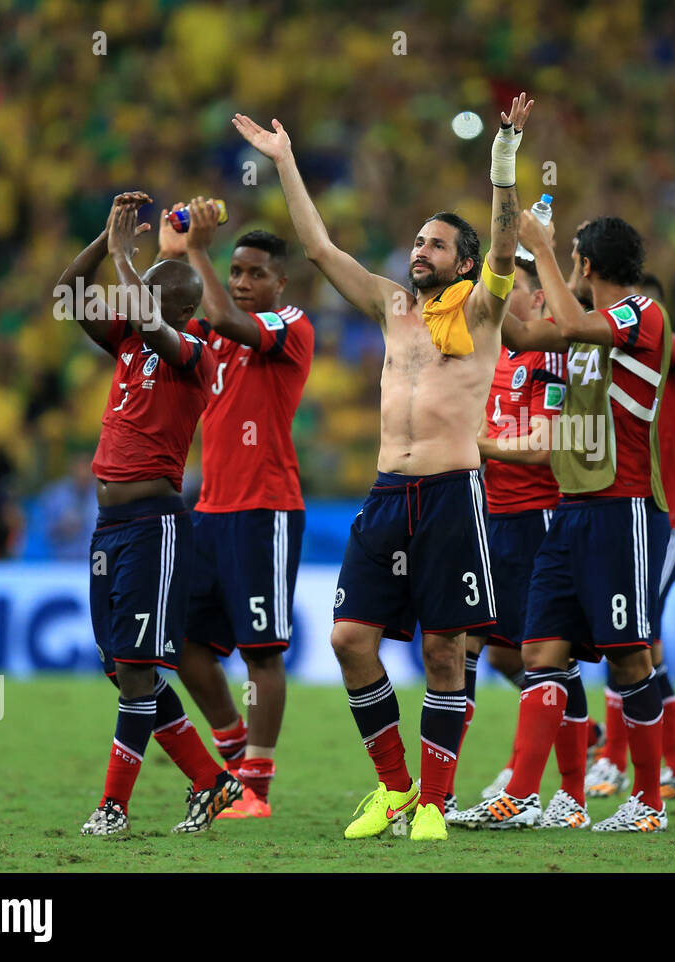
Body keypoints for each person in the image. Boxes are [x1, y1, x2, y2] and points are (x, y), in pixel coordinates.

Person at [232, 93, 533, 842]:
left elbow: (503, 246)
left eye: (434, 245)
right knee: (347, 639)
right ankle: (397, 789)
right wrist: (285, 163)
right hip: (388, 492)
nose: (419, 251)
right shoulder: (393, 306)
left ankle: (434, 800)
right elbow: (321, 251)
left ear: (460, 263)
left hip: (454, 492)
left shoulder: (481, 312)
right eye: (416, 241)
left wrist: (504, 156)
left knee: (442, 649)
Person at [454, 213, 673, 832]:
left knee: (630, 659)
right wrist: (487, 272)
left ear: (586, 264)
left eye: (572, 257)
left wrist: (542, 249)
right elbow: (522, 334)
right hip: (571, 509)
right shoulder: (578, 330)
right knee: (541, 649)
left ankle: (649, 802)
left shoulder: (640, 315)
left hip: (622, 505)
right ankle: (523, 793)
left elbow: (574, 323)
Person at [59, 191, 240, 836]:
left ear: (182, 310)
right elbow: (68, 291)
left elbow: (147, 314)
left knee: (138, 669)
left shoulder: (196, 355)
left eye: (150, 298)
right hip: (108, 526)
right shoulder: (129, 341)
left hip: (154, 526)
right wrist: (104, 241)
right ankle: (213, 781)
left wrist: (122, 257)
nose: (133, 304)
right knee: (120, 667)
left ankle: (113, 808)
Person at [161, 199, 314, 820]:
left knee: (261, 652)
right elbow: (159, 323)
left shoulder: (291, 326)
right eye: (238, 272)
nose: (244, 283)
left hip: (265, 509)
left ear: (281, 282)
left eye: (255, 274)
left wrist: (196, 248)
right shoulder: (211, 333)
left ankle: (258, 786)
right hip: (212, 510)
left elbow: (219, 314)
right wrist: (169, 253)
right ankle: (231, 756)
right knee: (186, 644)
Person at [445, 256, 590, 828]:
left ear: (537, 301)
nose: (501, 302)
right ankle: (442, 791)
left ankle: (570, 796)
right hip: (488, 519)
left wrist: (476, 444)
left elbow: (545, 446)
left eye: (515, 293)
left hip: (539, 521)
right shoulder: (484, 355)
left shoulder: (551, 357)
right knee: (466, 650)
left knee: (551, 657)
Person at [587, 272, 675, 804]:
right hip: (633, 511)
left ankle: (613, 758)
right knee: (644, 641)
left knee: (630, 638)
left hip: (668, 515)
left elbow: (661, 340)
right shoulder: (617, 365)